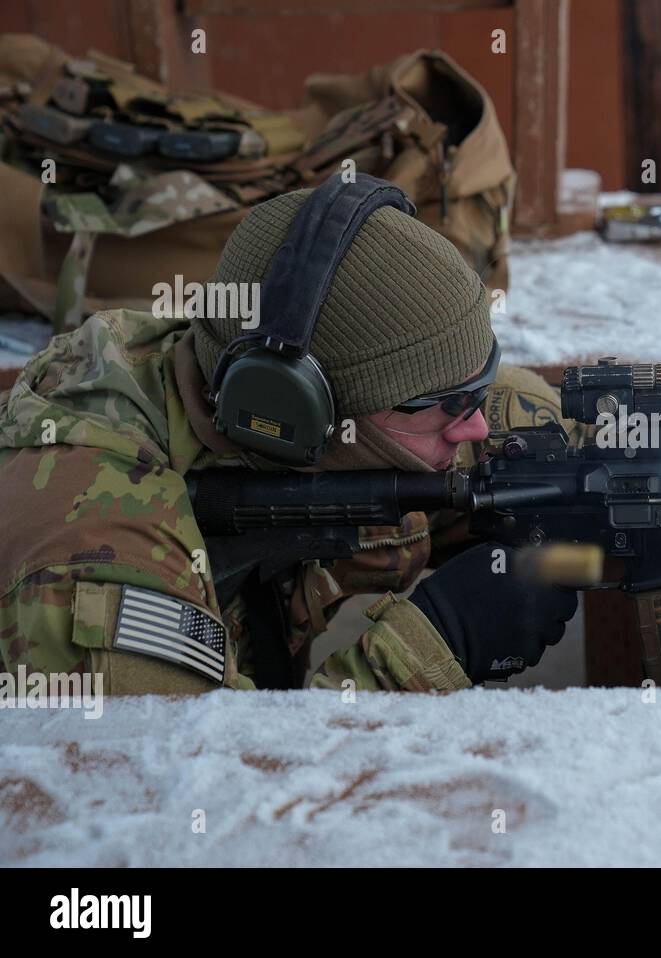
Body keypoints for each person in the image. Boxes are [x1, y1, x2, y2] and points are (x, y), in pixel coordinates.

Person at [0, 175, 579, 695]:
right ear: (292, 412)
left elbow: (490, 407)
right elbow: (199, 792)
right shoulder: (89, 559)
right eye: (446, 404)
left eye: (474, 389)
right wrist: (433, 647)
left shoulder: (244, 385)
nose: (474, 424)